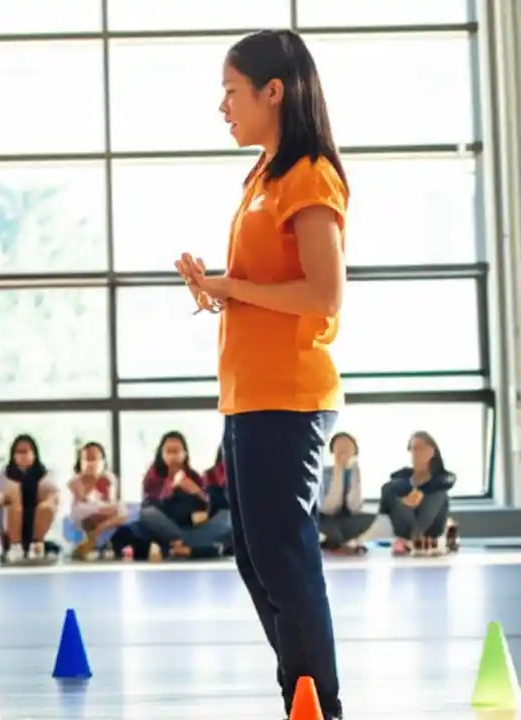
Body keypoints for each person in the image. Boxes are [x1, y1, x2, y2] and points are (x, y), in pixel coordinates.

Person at [176, 29, 350, 719]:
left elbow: (323, 295)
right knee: (256, 558)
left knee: (285, 561)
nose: (223, 107)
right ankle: (300, 699)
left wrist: (234, 289)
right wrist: (216, 287)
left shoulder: (309, 175)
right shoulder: (262, 176)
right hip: (249, 394)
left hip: (290, 395)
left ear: (273, 92)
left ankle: (320, 707)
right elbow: (262, 284)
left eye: (231, 92)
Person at [138, 432, 232, 559]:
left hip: (195, 529)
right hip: (170, 527)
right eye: (169, 451)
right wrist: (170, 487)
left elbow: (208, 507)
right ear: (162, 454)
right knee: (147, 514)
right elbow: (150, 504)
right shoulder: (153, 477)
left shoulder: (194, 476)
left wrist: (196, 491)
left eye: (177, 451)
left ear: (185, 454)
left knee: (227, 517)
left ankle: (181, 546)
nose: (173, 456)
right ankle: (195, 548)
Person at [0, 434, 62, 563]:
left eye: (26, 451)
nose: (23, 455)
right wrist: (2, 497)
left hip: (36, 517)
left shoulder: (46, 474)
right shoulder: (2, 474)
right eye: (19, 452)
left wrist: (50, 500)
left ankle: (36, 545)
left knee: (47, 505)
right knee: (13, 493)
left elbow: (55, 495)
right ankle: (15, 547)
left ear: (34, 453)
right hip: (10, 522)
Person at [380, 431, 456, 556]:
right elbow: (385, 500)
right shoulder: (402, 476)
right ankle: (414, 540)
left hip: (430, 527)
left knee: (438, 495)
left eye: (421, 448)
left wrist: (421, 492)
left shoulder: (442, 478)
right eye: (413, 449)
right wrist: (406, 498)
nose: (417, 453)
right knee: (395, 496)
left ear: (432, 452)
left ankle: (417, 540)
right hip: (406, 526)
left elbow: (447, 481)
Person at [67, 441, 126, 560]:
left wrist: (103, 508)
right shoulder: (75, 481)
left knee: (121, 510)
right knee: (81, 510)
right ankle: (91, 540)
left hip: (104, 512)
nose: (90, 463)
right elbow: (81, 503)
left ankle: (94, 535)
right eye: (87, 459)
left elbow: (111, 502)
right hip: (83, 512)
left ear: (102, 461)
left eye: (94, 459)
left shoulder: (109, 478)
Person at [318, 432, 374, 554]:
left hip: (346, 517)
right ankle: (337, 541)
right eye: (339, 447)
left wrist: (355, 475)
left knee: (368, 518)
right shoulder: (325, 473)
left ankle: (339, 542)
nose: (343, 451)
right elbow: (328, 508)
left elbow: (354, 506)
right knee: (330, 527)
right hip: (327, 518)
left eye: (347, 447)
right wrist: (338, 473)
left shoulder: (355, 472)